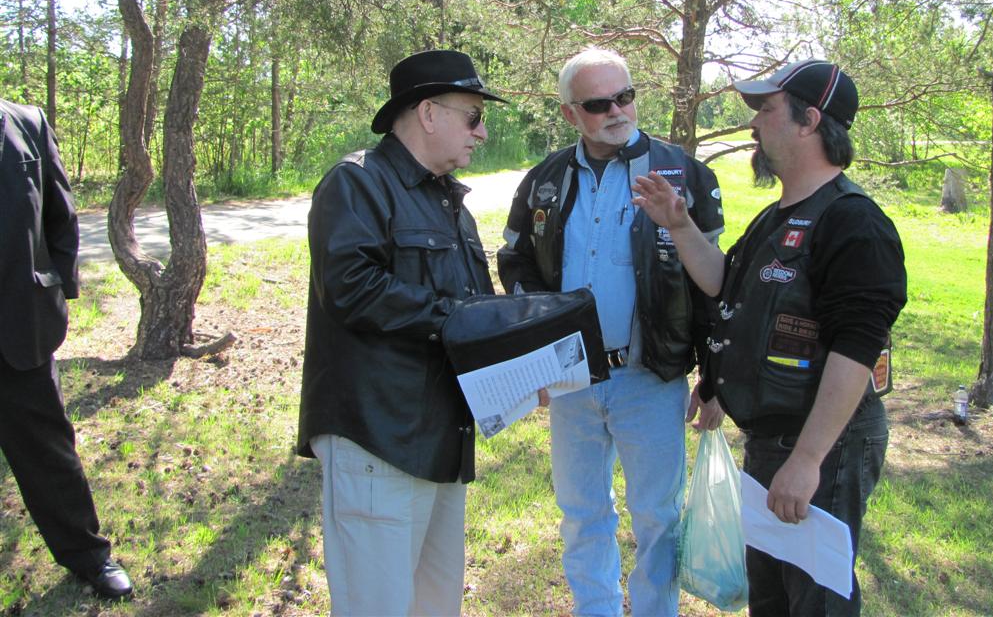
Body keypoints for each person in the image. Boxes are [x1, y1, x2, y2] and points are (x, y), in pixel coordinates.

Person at [632, 59, 907, 616]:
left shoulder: (854, 223)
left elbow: (857, 349)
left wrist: (807, 460)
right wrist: (680, 225)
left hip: (824, 447)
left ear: (809, 121)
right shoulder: (777, 217)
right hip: (769, 443)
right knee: (773, 597)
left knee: (816, 601)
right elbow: (724, 288)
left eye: (766, 109)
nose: (753, 124)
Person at [497, 47, 725, 617]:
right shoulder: (546, 178)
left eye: (625, 96)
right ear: (571, 113)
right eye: (599, 104)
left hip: (650, 376)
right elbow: (516, 259)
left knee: (658, 516)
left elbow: (715, 286)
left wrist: (714, 377)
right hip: (570, 379)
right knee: (581, 513)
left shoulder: (685, 174)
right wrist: (535, 337)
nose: (618, 111)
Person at [297, 49, 505, 616]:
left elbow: (476, 311)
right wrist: (459, 321)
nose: (482, 133)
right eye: (473, 116)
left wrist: (514, 364)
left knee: (435, 605)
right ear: (429, 112)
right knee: (378, 606)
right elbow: (354, 289)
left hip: (441, 435)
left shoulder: (451, 205)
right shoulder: (356, 184)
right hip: (379, 436)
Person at [0, 98, 132, 601]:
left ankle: (89, 556)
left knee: (50, 454)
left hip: (18, 328)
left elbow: (61, 213)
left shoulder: (25, 123)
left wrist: (53, 286)